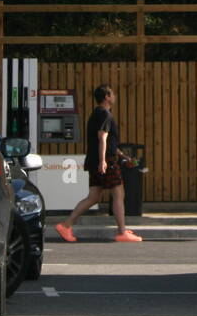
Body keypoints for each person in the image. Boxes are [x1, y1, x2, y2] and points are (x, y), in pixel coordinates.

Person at [54, 84, 142, 243]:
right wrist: (103, 161)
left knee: (93, 197)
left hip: (96, 160)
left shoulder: (96, 114)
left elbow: (107, 143)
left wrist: (123, 155)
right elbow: (102, 138)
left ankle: (66, 225)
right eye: (112, 94)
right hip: (106, 161)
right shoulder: (105, 115)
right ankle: (122, 232)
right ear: (107, 97)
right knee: (118, 194)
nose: (114, 96)